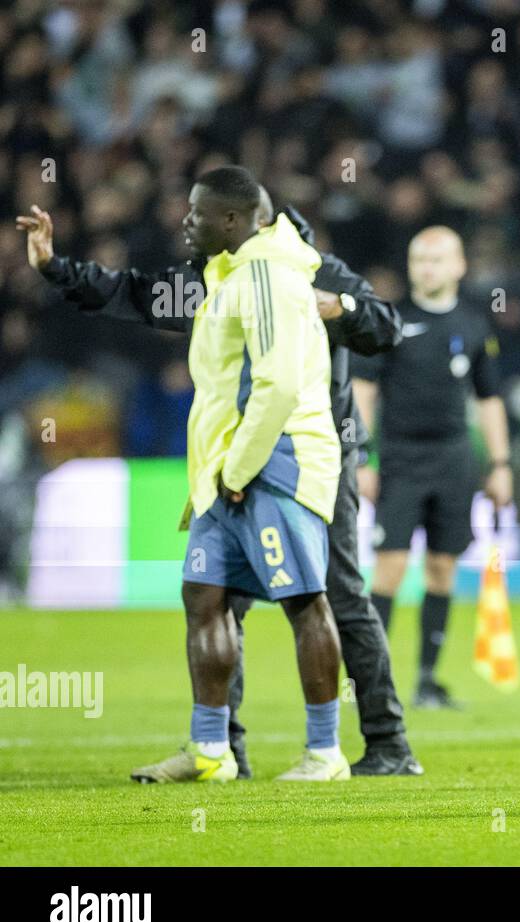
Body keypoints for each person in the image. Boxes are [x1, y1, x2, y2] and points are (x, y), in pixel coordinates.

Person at [17, 190, 422, 777]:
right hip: (232, 462)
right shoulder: (211, 275)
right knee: (218, 599)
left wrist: (337, 307)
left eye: (201, 214)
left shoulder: (312, 267)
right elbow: (133, 292)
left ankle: (387, 744)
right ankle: (222, 749)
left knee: (336, 596)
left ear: (245, 221)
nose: (187, 224)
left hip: (315, 459)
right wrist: (57, 268)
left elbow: (385, 325)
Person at [352, 226, 512, 709]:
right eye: (419, 258)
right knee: (390, 569)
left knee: (442, 569)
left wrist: (500, 463)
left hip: (455, 461)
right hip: (400, 460)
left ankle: (427, 681)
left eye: (437, 259)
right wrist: (362, 456)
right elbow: (363, 391)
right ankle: (373, 683)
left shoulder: (474, 324)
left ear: (459, 266)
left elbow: (489, 399)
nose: (427, 267)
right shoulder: (390, 321)